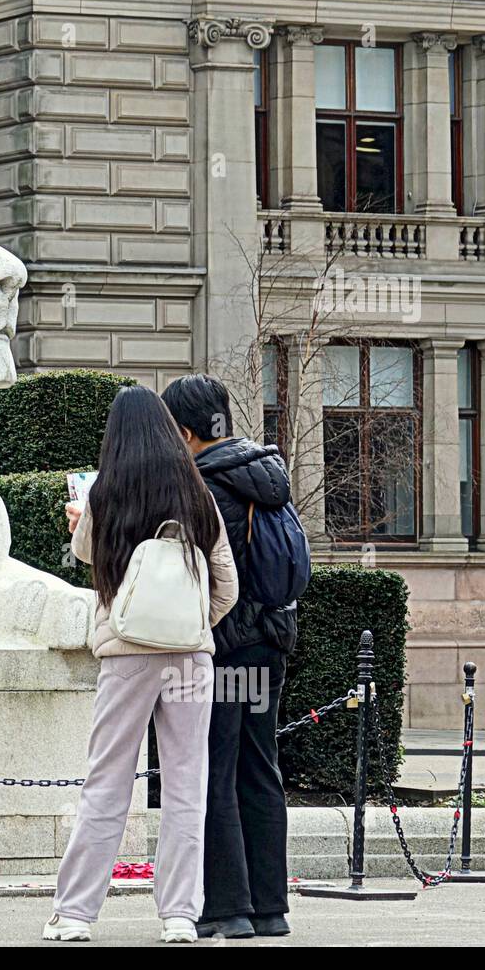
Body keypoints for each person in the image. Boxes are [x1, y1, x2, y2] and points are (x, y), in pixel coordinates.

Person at [44, 385, 238, 944]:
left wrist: (80, 518)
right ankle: (179, 915)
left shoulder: (108, 491)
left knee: (106, 783)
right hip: (190, 660)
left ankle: (76, 915)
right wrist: (192, 626)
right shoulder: (196, 493)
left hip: (125, 657)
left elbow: (85, 554)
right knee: (186, 786)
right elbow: (226, 584)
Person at [160, 373, 301, 940]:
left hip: (222, 647)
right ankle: (271, 908)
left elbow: (189, 573)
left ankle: (227, 908)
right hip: (271, 643)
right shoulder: (267, 474)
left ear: (188, 430)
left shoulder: (201, 486)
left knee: (213, 771)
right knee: (260, 767)